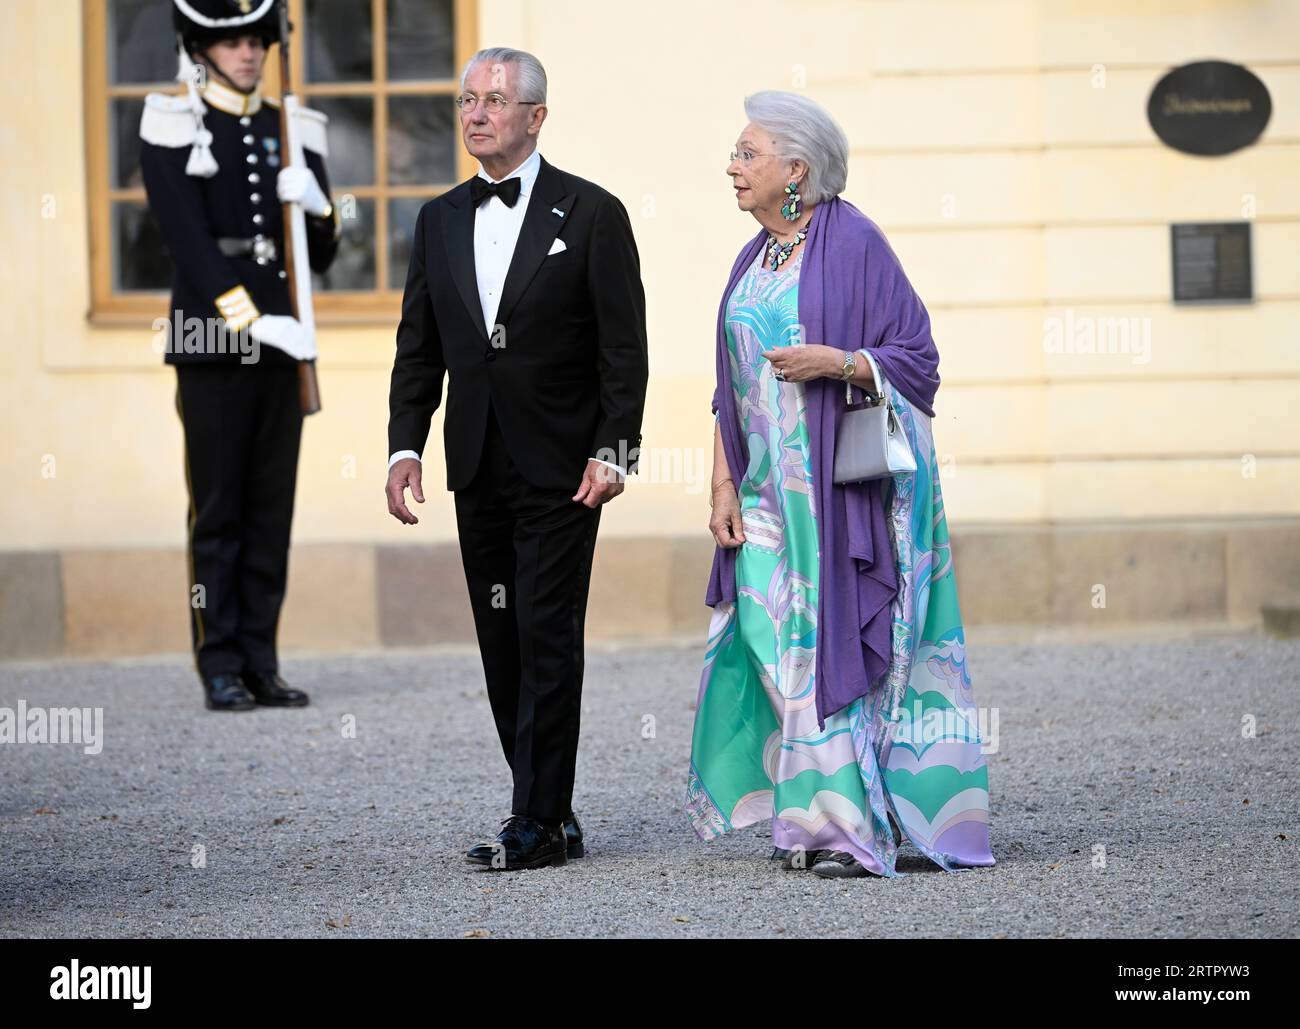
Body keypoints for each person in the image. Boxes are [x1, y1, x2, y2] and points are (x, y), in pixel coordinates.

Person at [686, 91, 995, 879]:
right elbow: (731, 386)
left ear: (797, 170)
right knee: (768, 638)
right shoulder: (753, 257)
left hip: (836, 488)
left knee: (826, 640)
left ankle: (840, 825)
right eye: (736, 152)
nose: (732, 166)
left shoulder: (852, 239)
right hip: (765, 492)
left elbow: (917, 356)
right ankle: (815, 811)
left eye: (747, 154)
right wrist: (721, 483)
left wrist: (841, 363)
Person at [384, 47, 648, 870]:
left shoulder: (593, 214)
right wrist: (404, 444)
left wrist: (617, 447)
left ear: (535, 116)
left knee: (547, 633)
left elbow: (624, 347)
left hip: (566, 469)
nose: (475, 113)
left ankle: (532, 821)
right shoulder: (435, 219)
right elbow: (417, 347)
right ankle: (551, 808)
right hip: (477, 465)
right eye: (467, 99)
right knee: (501, 639)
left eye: (494, 100)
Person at [140, 0, 340, 712]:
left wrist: (320, 205)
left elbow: (323, 253)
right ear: (202, 49)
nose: (249, 53)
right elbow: (185, 241)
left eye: (257, 40)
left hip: (286, 349)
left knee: (269, 511)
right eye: (232, 42)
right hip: (214, 346)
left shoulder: (292, 126)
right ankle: (218, 660)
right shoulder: (173, 122)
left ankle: (262, 659)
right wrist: (254, 323)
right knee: (219, 509)